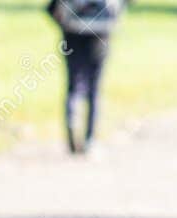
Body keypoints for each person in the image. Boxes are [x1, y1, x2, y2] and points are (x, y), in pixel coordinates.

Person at [48, 0, 123, 155]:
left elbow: (52, 8)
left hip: (73, 31)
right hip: (101, 30)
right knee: (95, 88)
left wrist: (63, 22)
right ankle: (90, 140)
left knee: (73, 86)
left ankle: (72, 132)